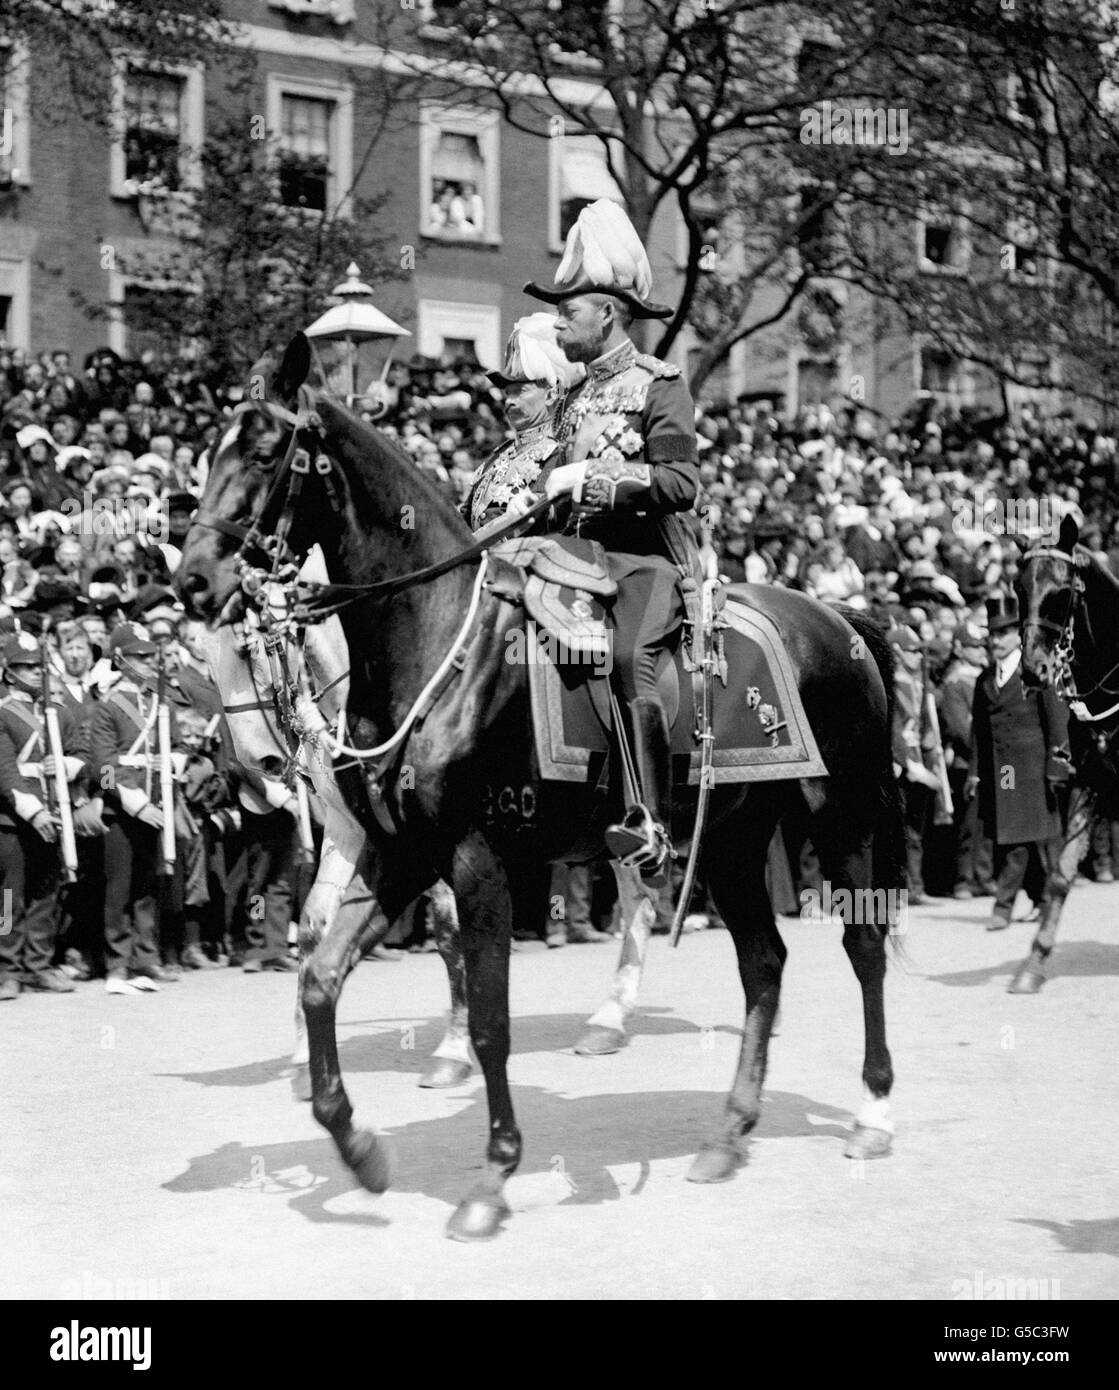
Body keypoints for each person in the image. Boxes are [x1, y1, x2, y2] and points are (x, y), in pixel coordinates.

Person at [523, 199, 700, 877]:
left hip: (639, 561)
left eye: (572, 309)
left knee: (630, 658)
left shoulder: (660, 386)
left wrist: (595, 477)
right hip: (567, 558)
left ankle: (648, 820)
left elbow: (680, 483)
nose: (561, 319)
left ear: (608, 312)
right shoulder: (568, 397)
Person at [966, 593, 1073, 938]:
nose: (995, 640)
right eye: (992, 633)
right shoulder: (984, 681)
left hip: (1032, 767)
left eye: (1003, 633)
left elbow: (1056, 720)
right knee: (1015, 836)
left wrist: (1058, 765)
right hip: (1003, 772)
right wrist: (974, 772)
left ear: (1019, 635)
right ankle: (1041, 899)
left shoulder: (1036, 672)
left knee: (1017, 840)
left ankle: (1003, 906)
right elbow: (978, 732)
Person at [0, 632, 99, 999]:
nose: (34, 672)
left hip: (54, 814)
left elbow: (83, 756)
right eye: (26, 666)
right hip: (13, 818)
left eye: (37, 665)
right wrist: (33, 811)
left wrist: (65, 765)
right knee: (9, 898)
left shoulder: (57, 713)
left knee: (45, 895)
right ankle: (6, 967)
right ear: (9, 673)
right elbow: (5, 772)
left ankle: (37, 965)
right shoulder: (3, 713)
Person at [87, 622, 181, 994]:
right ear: (120, 659)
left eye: (149, 655)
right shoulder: (108, 706)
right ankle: (117, 967)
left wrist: (171, 763)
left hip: (156, 804)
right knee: (119, 892)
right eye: (139, 656)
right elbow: (103, 769)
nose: (147, 661)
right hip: (122, 811)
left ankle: (146, 958)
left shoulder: (160, 703)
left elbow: (175, 747)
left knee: (147, 888)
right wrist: (133, 801)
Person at [464, 313, 583, 534]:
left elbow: (536, 517)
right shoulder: (497, 456)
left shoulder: (559, 453)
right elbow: (462, 517)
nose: (509, 400)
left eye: (520, 391)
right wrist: (408, 517)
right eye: (507, 392)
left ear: (551, 394)